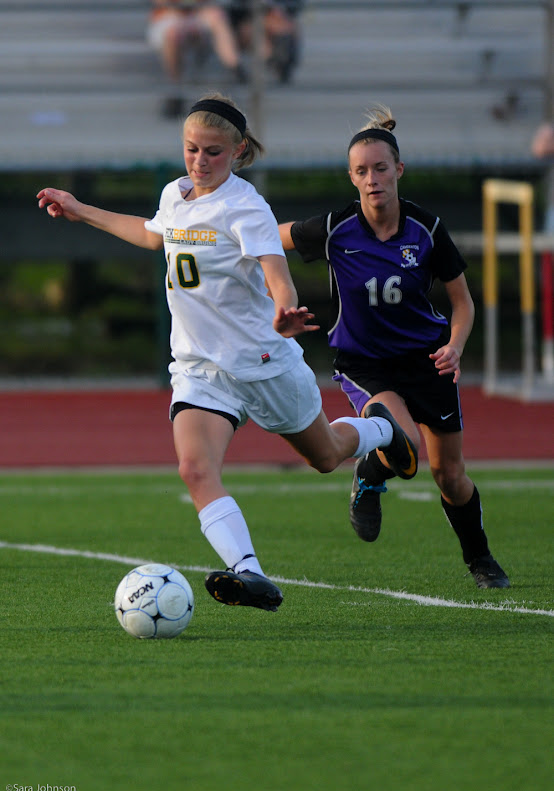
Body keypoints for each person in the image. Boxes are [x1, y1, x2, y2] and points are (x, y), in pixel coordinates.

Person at [37, 93, 417, 612]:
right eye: (192, 149)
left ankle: (380, 429)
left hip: (262, 363)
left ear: (238, 150)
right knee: (194, 470)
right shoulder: (176, 194)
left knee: (326, 456)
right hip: (199, 369)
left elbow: (277, 278)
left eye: (212, 152)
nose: (199, 161)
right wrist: (81, 211)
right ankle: (250, 574)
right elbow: (154, 236)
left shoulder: (247, 206)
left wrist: (285, 312)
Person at [279, 104, 510, 589]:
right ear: (351, 177)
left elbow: (463, 302)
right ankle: (371, 473)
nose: (372, 179)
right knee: (401, 442)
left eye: (380, 169)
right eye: (361, 172)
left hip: (427, 361)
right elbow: (263, 241)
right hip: (365, 364)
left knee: (450, 476)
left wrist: (456, 345)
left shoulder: (426, 229)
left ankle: (481, 560)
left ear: (398, 170)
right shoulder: (336, 229)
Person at [147, 1, 247, 118]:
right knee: (173, 35)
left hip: (196, 15)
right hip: (169, 16)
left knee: (216, 15)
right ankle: (175, 90)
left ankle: (235, 67)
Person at [228, 0, 302, 83]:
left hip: (268, 16)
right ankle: (240, 70)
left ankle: (281, 64)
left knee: (285, 24)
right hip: (244, 18)